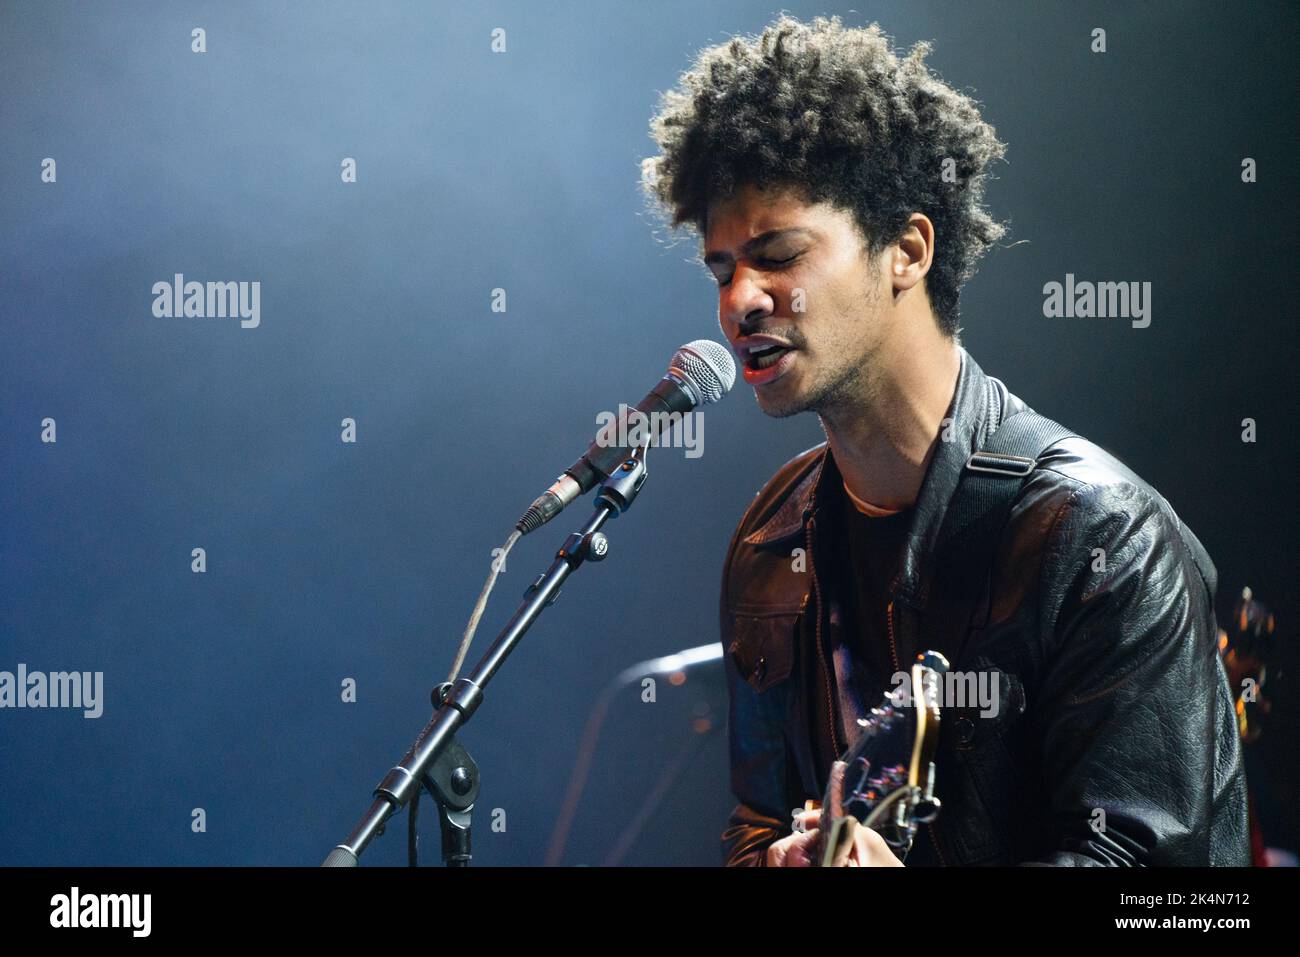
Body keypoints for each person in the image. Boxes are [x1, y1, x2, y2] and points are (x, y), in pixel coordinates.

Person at [640, 15, 1249, 866]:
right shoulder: (770, 540)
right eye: (722, 268)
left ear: (907, 248)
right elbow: (757, 816)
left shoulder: (1099, 536)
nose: (739, 299)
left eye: (776, 254)